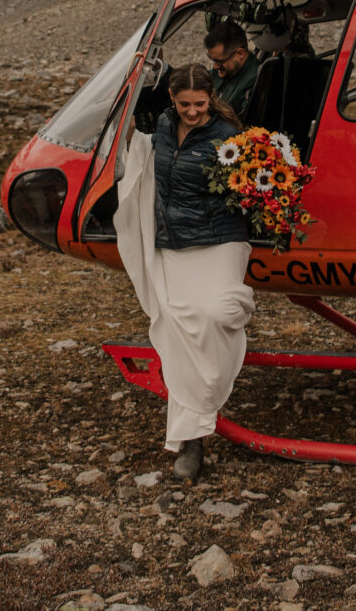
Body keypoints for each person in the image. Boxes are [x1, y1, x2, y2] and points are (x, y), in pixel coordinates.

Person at [112, 62, 254, 481]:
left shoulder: (228, 138)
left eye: (200, 104)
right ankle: (191, 441)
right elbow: (129, 142)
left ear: (212, 99)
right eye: (184, 104)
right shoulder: (161, 127)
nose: (193, 111)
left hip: (220, 241)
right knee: (175, 329)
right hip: (172, 245)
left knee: (214, 314)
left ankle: (201, 409)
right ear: (172, 100)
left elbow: (250, 190)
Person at [205, 20, 261, 118]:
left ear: (240, 54)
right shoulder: (222, 68)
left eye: (219, 61)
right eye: (212, 59)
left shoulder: (256, 81)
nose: (215, 66)